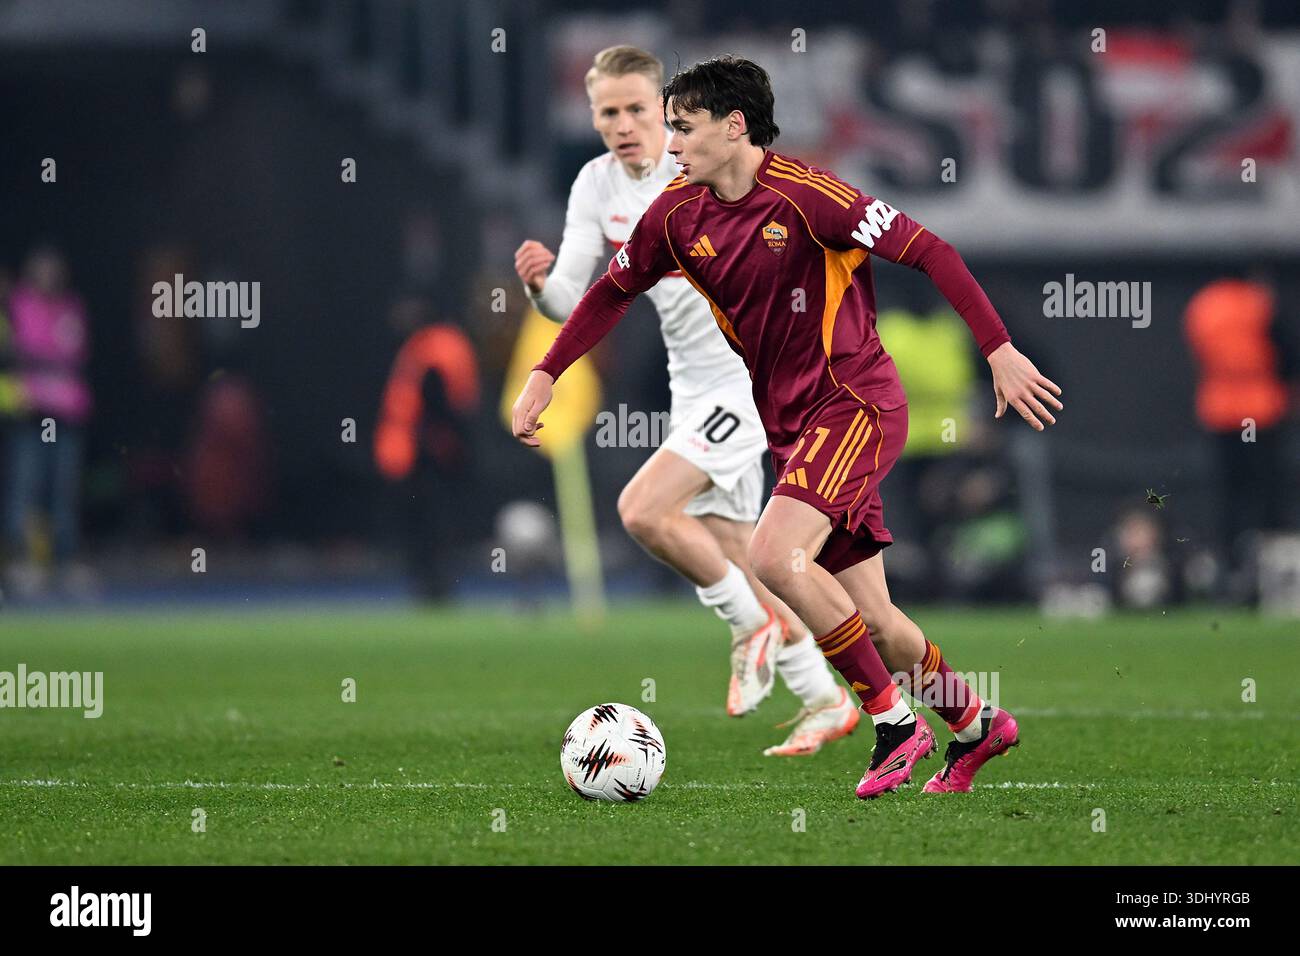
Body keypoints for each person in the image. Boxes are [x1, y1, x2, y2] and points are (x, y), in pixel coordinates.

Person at [512, 56, 1063, 798]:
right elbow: (610, 294)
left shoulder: (811, 199)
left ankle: (894, 724)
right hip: (793, 427)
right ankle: (977, 724)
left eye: (683, 127)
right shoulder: (676, 216)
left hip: (856, 403)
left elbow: (932, 250)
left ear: (734, 126)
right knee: (874, 618)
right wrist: (546, 372)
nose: (670, 146)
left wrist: (997, 349)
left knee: (774, 555)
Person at [515, 45, 856, 755]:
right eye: (608, 112)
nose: (624, 123)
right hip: (691, 384)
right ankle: (826, 697)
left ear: (666, 111)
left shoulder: (698, 171)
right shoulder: (596, 185)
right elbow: (573, 300)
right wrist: (540, 287)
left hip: (749, 377)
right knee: (738, 546)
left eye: (638, 108)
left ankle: (750, 625)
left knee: (643, 509)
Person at [3, 245, 92, 593]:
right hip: (32, 413)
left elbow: (75, 350)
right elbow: (25, 348)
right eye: (42, 269)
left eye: (53, 270)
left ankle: (64, 562)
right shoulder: (19, 305)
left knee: (63, 491)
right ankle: (24, 562)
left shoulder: (71, 307)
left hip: (66, 414)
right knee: (26, 489)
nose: (48, 277)